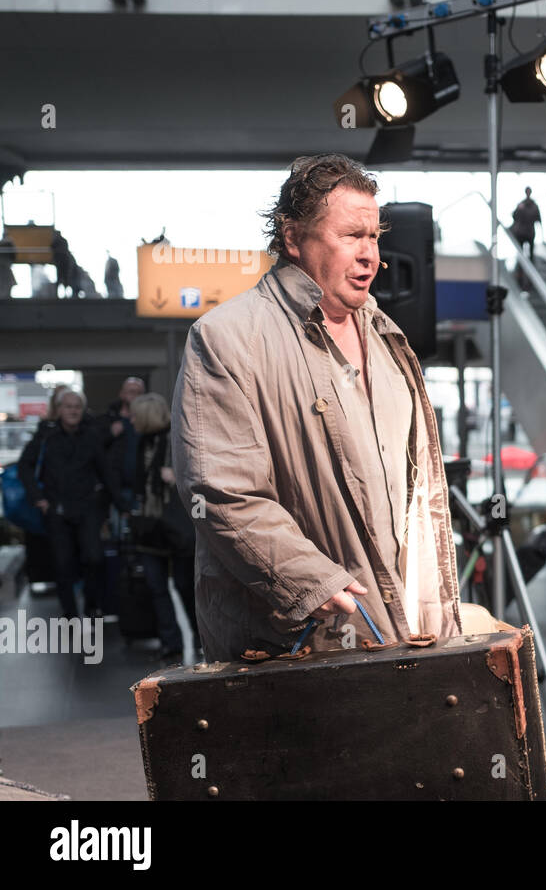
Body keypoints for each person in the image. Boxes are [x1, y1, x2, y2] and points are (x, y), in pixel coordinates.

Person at [171, 154, 495, 662]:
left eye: (374, 236)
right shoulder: (226, 339)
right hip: (299, 642)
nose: (371, 255)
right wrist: (308, 581)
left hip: (402, 632)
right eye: (351, 236)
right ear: (294, 237)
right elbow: (221, 490)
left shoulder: (387, 336)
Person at [17, 389, 118, 619]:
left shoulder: (91, 435)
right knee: (63, 564)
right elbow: (25, 466)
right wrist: (38, 499)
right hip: (56, 511)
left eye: (77, 407)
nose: (73, 411)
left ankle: (92, 606)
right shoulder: (46, 435)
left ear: (82, 411)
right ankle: (70, 613)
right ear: (59, 410)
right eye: (68, 406)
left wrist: (121, 506)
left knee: (94, 558)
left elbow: (106, 473)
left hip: (87, 508)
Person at [126, 392, 196, 664]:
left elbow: (197, 473)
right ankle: (171, 643)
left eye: (135, 415)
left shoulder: (175, 438)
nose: (131, 420)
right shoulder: (140, 443)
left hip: (174, 525)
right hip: (149, 526)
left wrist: (177, 477)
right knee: (156, 587)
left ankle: (200, 638)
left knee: (183, 586)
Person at [510, 187, 541, 259]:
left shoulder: (530, 205)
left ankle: (527, 266)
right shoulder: (526, 205)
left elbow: (538, 218)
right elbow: (515, 216)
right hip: (524, 232)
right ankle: (523, 266)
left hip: (528, 232)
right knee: (522, 252)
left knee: (529, 252)